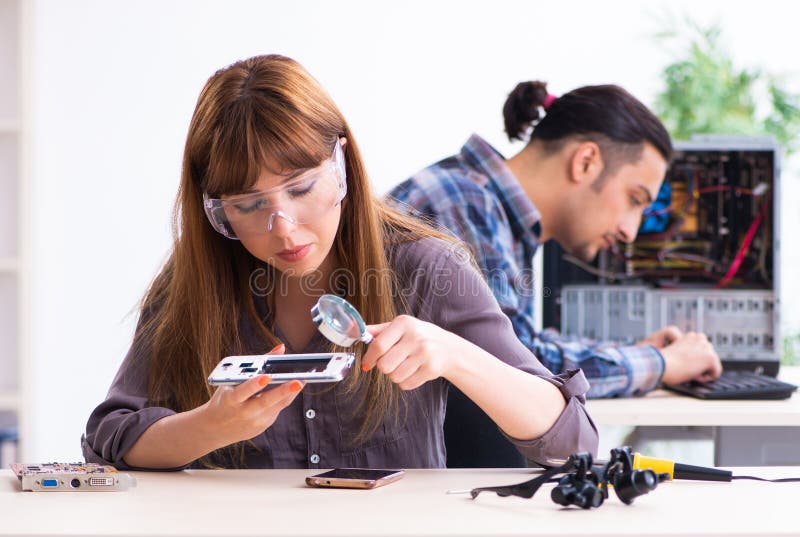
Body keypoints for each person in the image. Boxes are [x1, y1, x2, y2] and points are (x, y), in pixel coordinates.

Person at [81, 57, 597, 471]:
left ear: (342, 164)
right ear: (214, 209)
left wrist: (455, 356)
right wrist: (208, 427)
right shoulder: (193, 282)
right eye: (249, 205)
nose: (284, 229)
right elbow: (108, 437)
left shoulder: (426, 268)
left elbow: (572, 442)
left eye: (302, 188)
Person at [388, 81, 722, 467]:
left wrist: (641, 354)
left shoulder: (485, 206)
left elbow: (517, 343)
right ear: (586, 162)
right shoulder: (462, 203)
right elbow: (523, 368)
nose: (630, 231)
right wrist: (658, 363)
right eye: (634, 199)